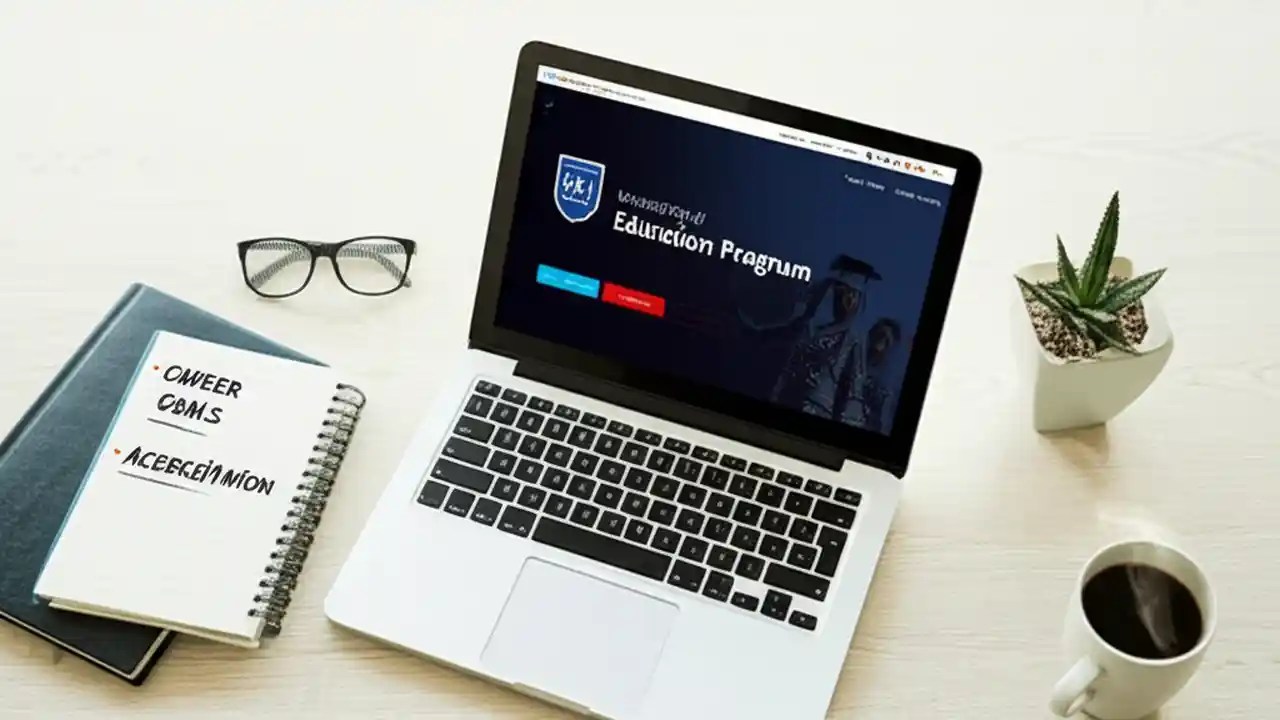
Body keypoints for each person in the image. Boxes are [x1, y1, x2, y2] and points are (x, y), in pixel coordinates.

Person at [739, 254, 882, 427]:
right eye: (844, 293)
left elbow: (853, 390)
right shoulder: (804, 327)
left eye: (855, 295)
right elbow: (768, 337)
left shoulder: (853, 340)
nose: (849, 301)